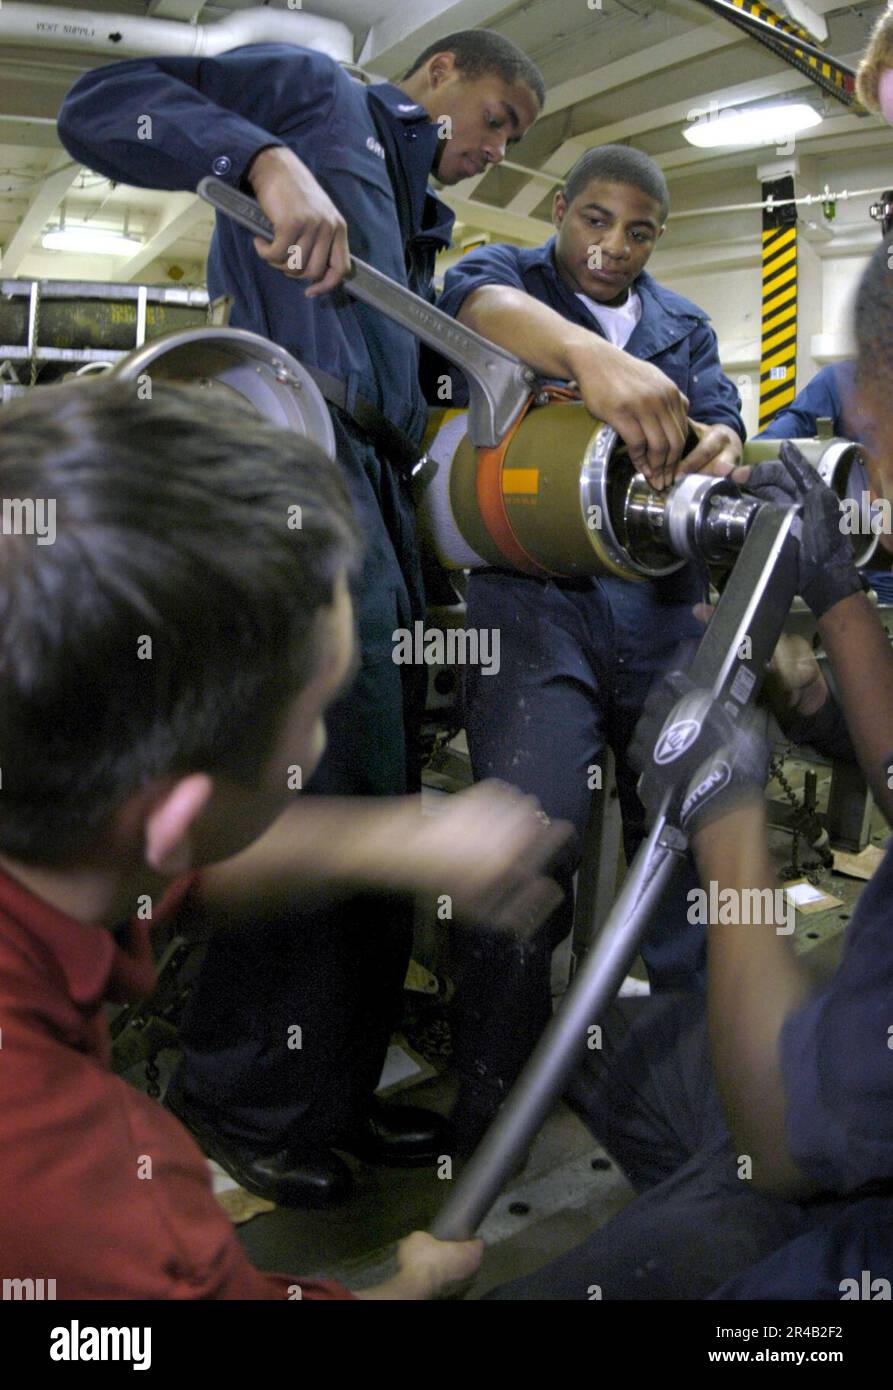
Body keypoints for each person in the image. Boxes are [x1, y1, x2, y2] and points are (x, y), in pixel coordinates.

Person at [55, 30, 547, 1206]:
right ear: (435, 70)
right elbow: (100, 100)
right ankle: (243, 1101)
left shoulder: (409, 216)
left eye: (507, 143)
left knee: (378, 788)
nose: (485, 152)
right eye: (490, 119)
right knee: (311, 787)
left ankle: (326, 1095)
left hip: (375, 484)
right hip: (294, 466)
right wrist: (267, 158)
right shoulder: (312, 89)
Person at [0, 377, 572, 1298]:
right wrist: (412, 1287)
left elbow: (164, 872)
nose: (322, 743)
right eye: (315, 716)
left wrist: (398, 842)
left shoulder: (59, 810)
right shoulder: (96, 1208)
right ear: (179, 816)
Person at [487, 236, 893, 1299]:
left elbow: (781, 1144)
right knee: (601, 1025)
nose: (862, 451)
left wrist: (728, 820)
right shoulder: (515, 280)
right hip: (839, 1117)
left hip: (842, 1199)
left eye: (870, 418)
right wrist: (842, 603)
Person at [435, 144, 746, 1148]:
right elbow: (472, 310)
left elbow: (724, 435)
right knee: (529, 843)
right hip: (532, 601)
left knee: (692, 842)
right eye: (594, 221)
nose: (612, 248)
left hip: (656, 607)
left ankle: (699, 1094)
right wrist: (591, 359)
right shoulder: (506, 279)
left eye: (638, 230)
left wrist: (720, 446)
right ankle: (493, 1102)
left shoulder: (683, 327)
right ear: (561, 212)